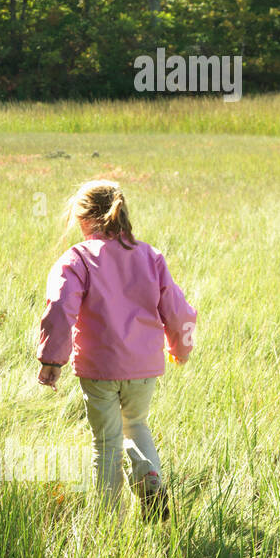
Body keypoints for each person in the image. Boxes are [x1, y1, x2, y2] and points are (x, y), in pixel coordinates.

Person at [36, 180, 196, 519]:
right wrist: (180, 348)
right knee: (136, 424)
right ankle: (149, 476)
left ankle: (108, 521)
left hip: (99, 369)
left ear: (83, 219)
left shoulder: (77, 258)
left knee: (106, 443)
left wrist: (52, 359)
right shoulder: (150, 256)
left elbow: (60, 308)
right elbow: (177, 309)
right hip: (143, 367)